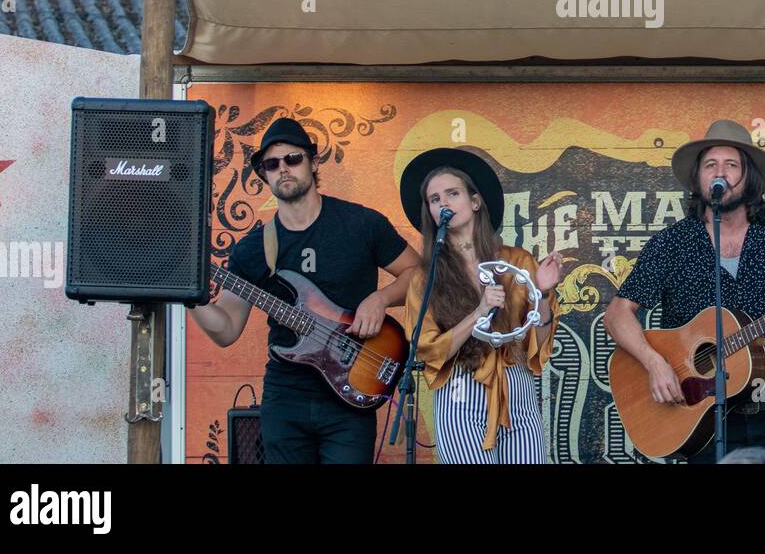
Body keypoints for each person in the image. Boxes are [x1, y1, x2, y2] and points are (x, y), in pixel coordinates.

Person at [190, 116, 420, 463]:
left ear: (313, 163)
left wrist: (380, 299)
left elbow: (418, 274)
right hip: (286, 396)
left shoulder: (362, 224)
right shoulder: (253, 248)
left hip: (352, 388)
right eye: (272, 164)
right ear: (265, 174)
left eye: (293, 159)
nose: (283, 168)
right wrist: (187, 297)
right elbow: (226, 330)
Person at [604, 119, 765, 464]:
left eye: (731, 164)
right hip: (704, 417)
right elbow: (616, 315)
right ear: (698, 179)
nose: (720, 171)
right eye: (710, 165)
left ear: (748, 176)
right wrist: (655, 363)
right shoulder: (671, 243)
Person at [398, 147, 563, 463]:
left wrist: (542, 293)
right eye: (435, 199)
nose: (444, 203)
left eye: (452, 193)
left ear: (475, 202)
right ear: (431, 213)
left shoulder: (517, 262)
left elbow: (537, 345)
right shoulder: (425, 276)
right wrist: (478, 314)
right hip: (461, 391)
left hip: (517, 389)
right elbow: (427, 349)